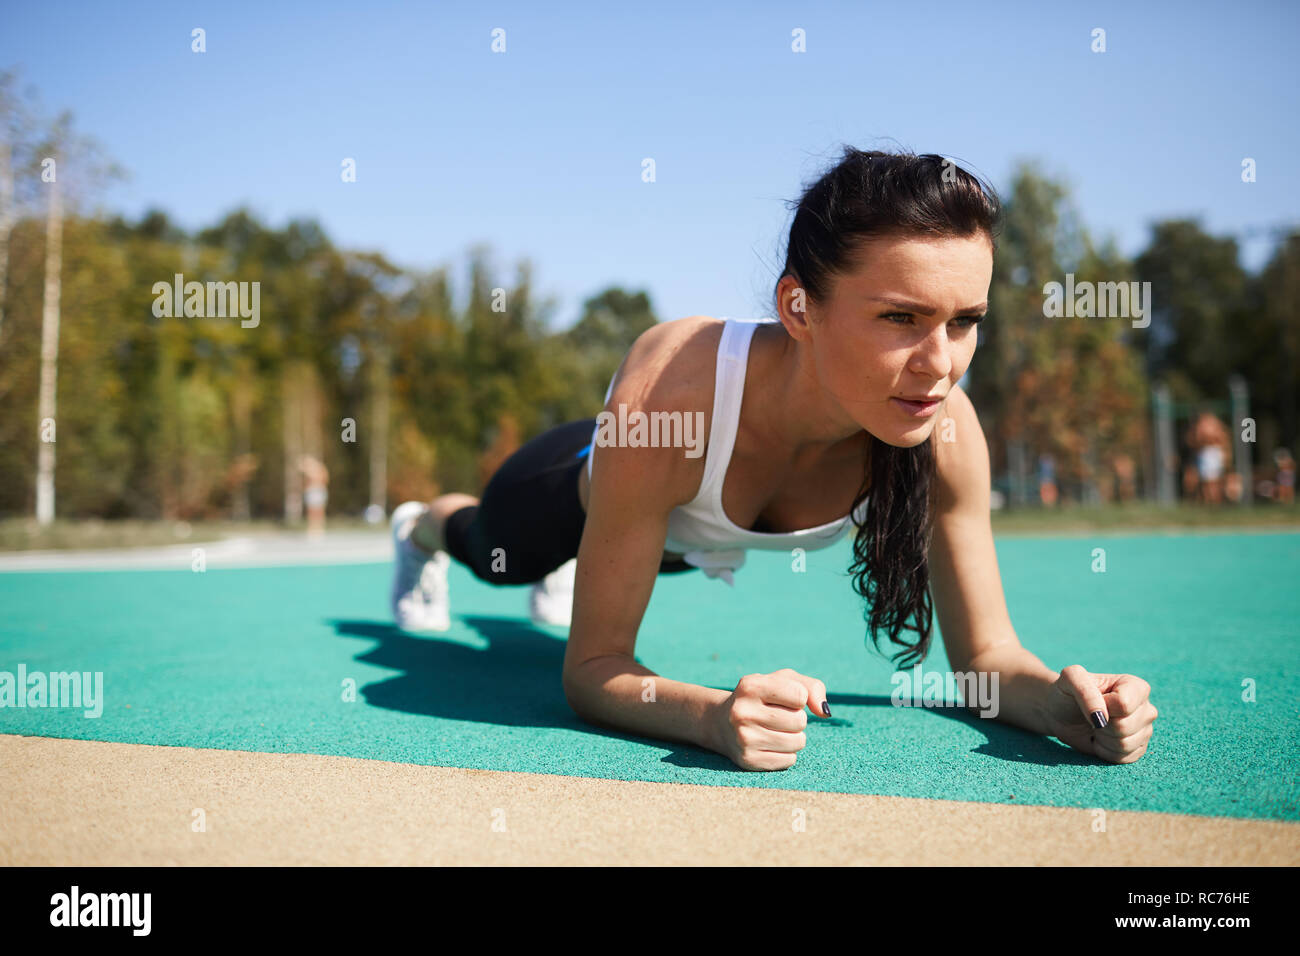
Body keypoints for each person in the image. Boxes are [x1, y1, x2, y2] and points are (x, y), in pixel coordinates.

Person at [388, 148, 1157, 771]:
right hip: (591, 486)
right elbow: (592, 670)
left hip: (682, 541)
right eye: (902, 317)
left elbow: (986, 658)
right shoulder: (672, 396)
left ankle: (599, 562)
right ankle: (424, 524)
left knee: (650, 554)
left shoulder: (945, 433)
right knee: (496, 554)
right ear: (799, 309)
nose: (940, 363)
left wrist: (1060, 702)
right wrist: (712, 716)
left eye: (965, 322)